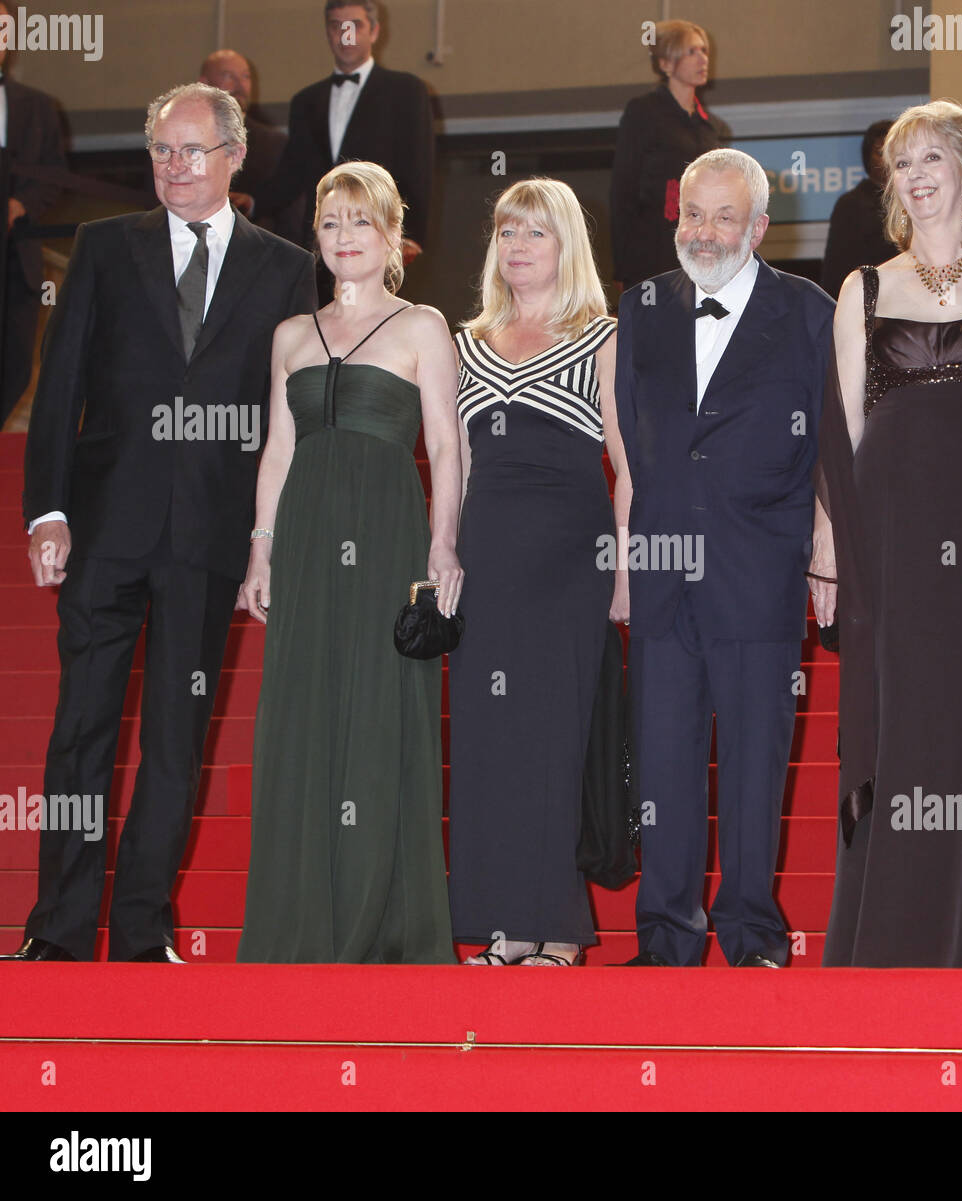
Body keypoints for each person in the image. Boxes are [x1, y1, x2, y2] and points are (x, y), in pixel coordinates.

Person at [2, 83, 316, 963]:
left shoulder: (286, 265)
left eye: (191, 151)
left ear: (234, 157)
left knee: (177, 745)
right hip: (104, 531)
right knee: (80, 735)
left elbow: (282, 416)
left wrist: (267, 539)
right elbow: (60, 385)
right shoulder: (104, 248)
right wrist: (48, 510)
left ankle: (144, 929)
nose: (174, 167)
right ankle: (56, 929)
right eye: (161, 151)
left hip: (208, 541)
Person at [814, 100, 962, 968]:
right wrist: (827, 543)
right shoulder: (865, 288)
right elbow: (839, 427)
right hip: (889, 524)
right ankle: (897, 934)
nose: (915, 177)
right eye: (901, 165)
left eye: (929, 159)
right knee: (901, 706)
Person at [236, 162, 461, 964]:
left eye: (360, 221)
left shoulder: (424, 325)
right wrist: (260, 548)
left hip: (388, 534)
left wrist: (442, 545)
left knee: (378, 710)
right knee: (300, 716)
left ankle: (383, 923)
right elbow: (276, 449)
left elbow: (445, 443)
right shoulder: (292, 335)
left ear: (392, 234)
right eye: (331, 222)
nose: (343, 237)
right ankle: (300, 923)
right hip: (302, 538)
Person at [615, 148, 833, 967]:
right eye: (692, 216)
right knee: (664, 766)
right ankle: (666, 935)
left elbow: (829, 443)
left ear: (760, 227)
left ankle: (752, 933)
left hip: (761, 566)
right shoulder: (641, 306)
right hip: (664, 566)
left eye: (724, 217)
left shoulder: (808, 312)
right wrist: (629, 561)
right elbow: (637, 444)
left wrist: (824, 545)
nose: (704, 233)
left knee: (754, 764)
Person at [450, 178, 629, 968]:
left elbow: (627, 465)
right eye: (506, 232)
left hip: (571, 560)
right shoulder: (463, 341)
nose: (517, 247)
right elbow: (452, 464)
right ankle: (504, 922)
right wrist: (442, 551)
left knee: (556, 737)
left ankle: (556, 925)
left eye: (535, 233)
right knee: (492, 738)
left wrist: (624, 566)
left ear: (566, 246)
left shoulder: (602, 335)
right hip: (484, 556)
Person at [253, 1, 433, 271]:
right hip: (318, 246)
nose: (345, 34)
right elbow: (291, 174)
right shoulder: (305, 101)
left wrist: (412, 234)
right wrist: (253, 203)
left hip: (379, 238)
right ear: (327, 33)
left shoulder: (406, 90)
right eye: (337, 26)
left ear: (374, 32)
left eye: (355, 25)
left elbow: (418, 165)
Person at [610, 19, 720, 290]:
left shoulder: (708, 126)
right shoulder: (643, 112)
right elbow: (623, 189)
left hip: (700, 249)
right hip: (652, 250)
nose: (702, 59)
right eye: (691, 52)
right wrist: (623, 265)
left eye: (704, 51)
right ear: (666, 64)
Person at [0, 0, 67, 429]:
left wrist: (21, 204)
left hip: (16, 256)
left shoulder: (38, 106)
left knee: (16, 365)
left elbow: (54, 174)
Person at [198, 49, 294, 235]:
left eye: (245, 76)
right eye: (228, 76)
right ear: (204, 83)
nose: (240, 85)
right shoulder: (184, 139)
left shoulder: (275, 144)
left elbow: (289, 211)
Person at [820, 119, 894, 297]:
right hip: (867, 305)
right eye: (879, 152)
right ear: (867, 158)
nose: (887, 159)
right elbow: (836, 270)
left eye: (893, 151)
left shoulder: (915, 200)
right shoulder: (851, 204)